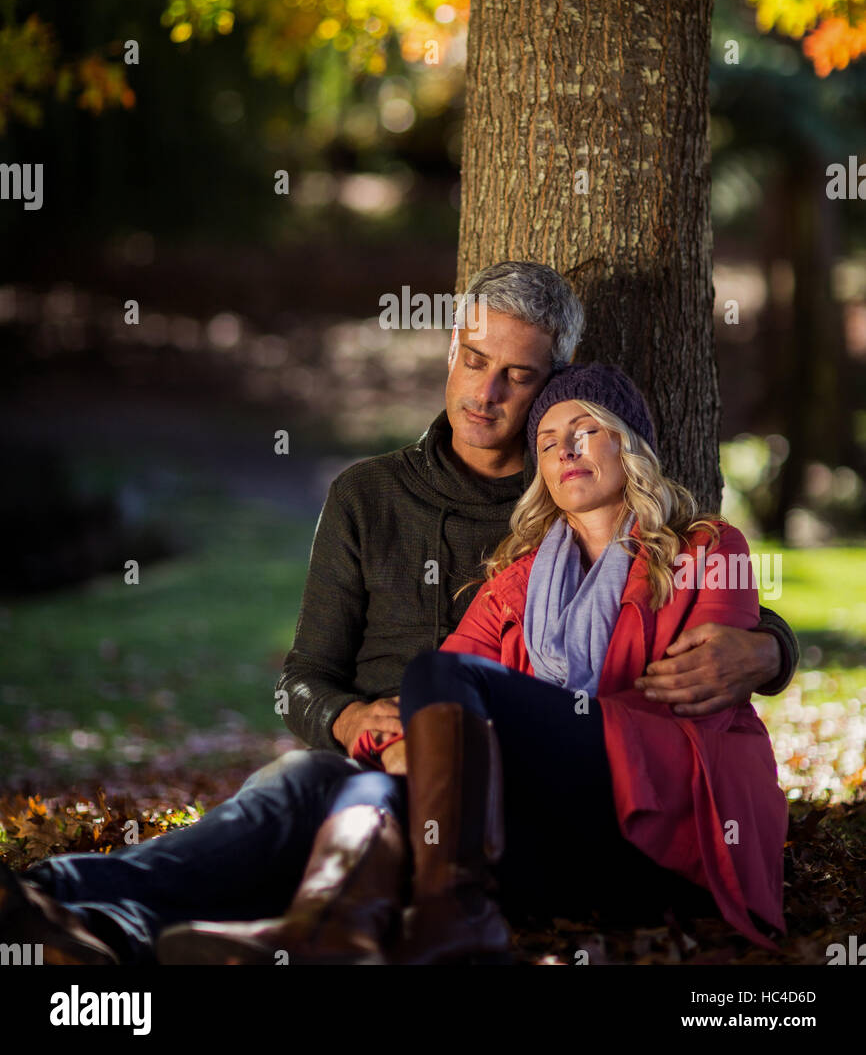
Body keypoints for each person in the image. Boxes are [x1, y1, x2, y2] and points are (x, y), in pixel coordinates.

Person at [0, 264, 796, 965]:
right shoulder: (380, 504)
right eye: (475, 361)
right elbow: (304, 682)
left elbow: (716, 632)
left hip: (533, 795)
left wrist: (770, 652)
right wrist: (361, 726)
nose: (486, 394)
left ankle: (397, 918)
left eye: (520, 380)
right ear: (450, 350)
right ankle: (76, 911)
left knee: (361, 776)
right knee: (313, 783)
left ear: (559, 387)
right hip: (392, 764)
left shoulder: (610, 526)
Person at [388, 363, 789, 964]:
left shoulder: (707, 549)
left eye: (585, 430)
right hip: (563, 843)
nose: (565, 450)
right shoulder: (511, 586)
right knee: (355, 796)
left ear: (627, 441)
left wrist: (513, 736)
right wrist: (399, 743)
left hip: (674, 827)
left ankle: (451, 915)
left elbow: (692, 696)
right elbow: (439, 707)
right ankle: (220, 905)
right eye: (547, 444)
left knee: (441, 685)